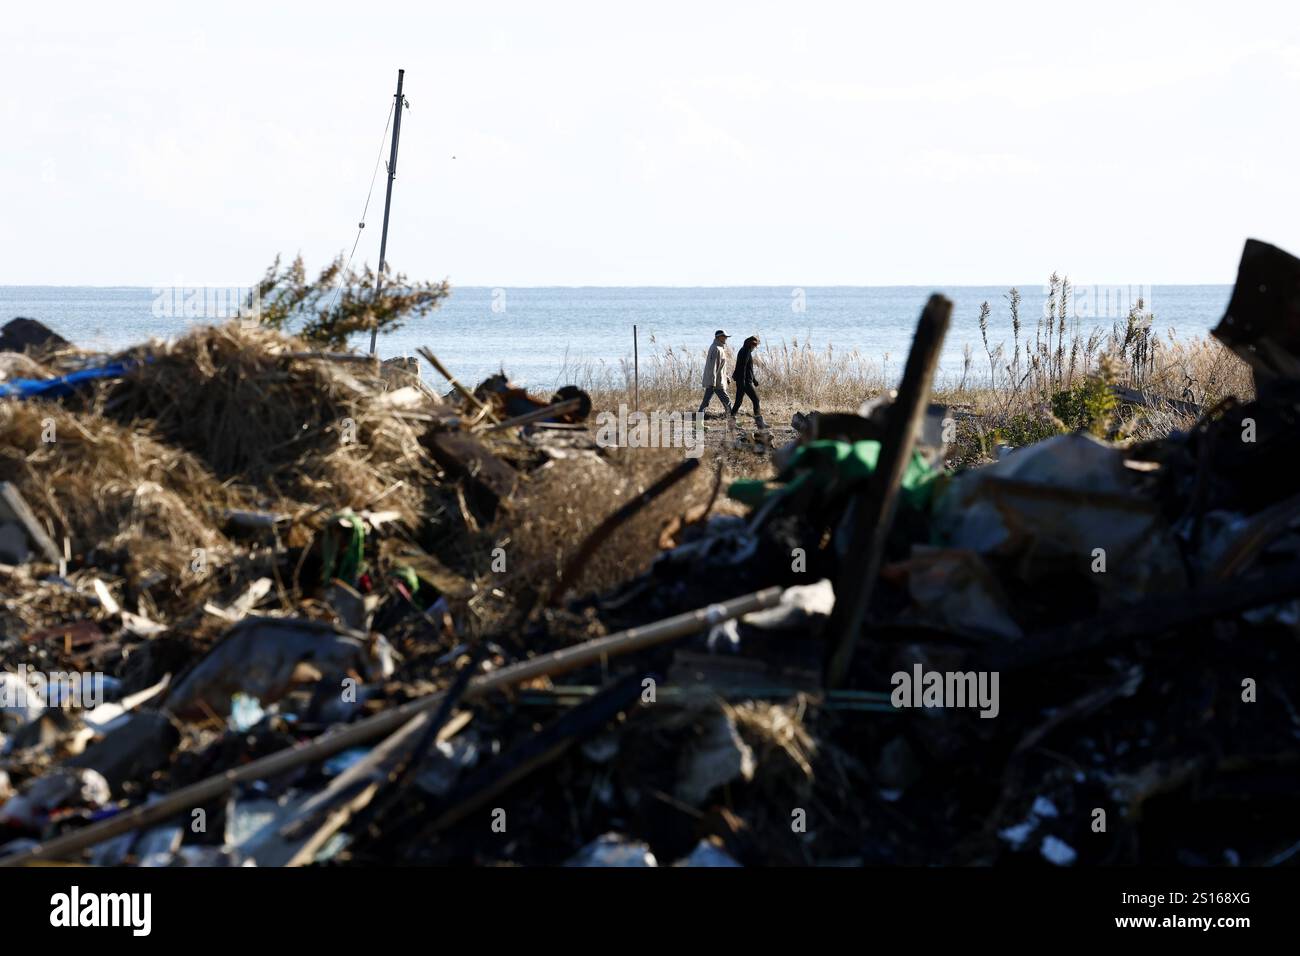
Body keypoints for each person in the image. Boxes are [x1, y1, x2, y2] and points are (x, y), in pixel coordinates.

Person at [730, 334, 767, 428]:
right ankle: (759, 423)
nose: (756, 348)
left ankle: (731, 423)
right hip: (745, 381)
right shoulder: (746, 351)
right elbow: (742, 368)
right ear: (751, 344)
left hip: (744, 380)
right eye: (755, 346)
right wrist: (742, 382)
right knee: (756, 400)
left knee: (738, 402)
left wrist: (754, 380)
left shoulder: (744, 350)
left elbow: (748, 368)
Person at [698, 329, 732, 416]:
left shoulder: (719, 348)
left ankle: (699, 424)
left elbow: (719, 366)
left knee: (705, 403)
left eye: (726, 337)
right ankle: (732, 423)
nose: (726, 339)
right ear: (719, 337)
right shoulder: (716, 349)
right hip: (715, 382)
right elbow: (712, 367)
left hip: (716, 381)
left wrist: (726, 376)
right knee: (727, 402)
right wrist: (712, 383)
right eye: (724, 337)